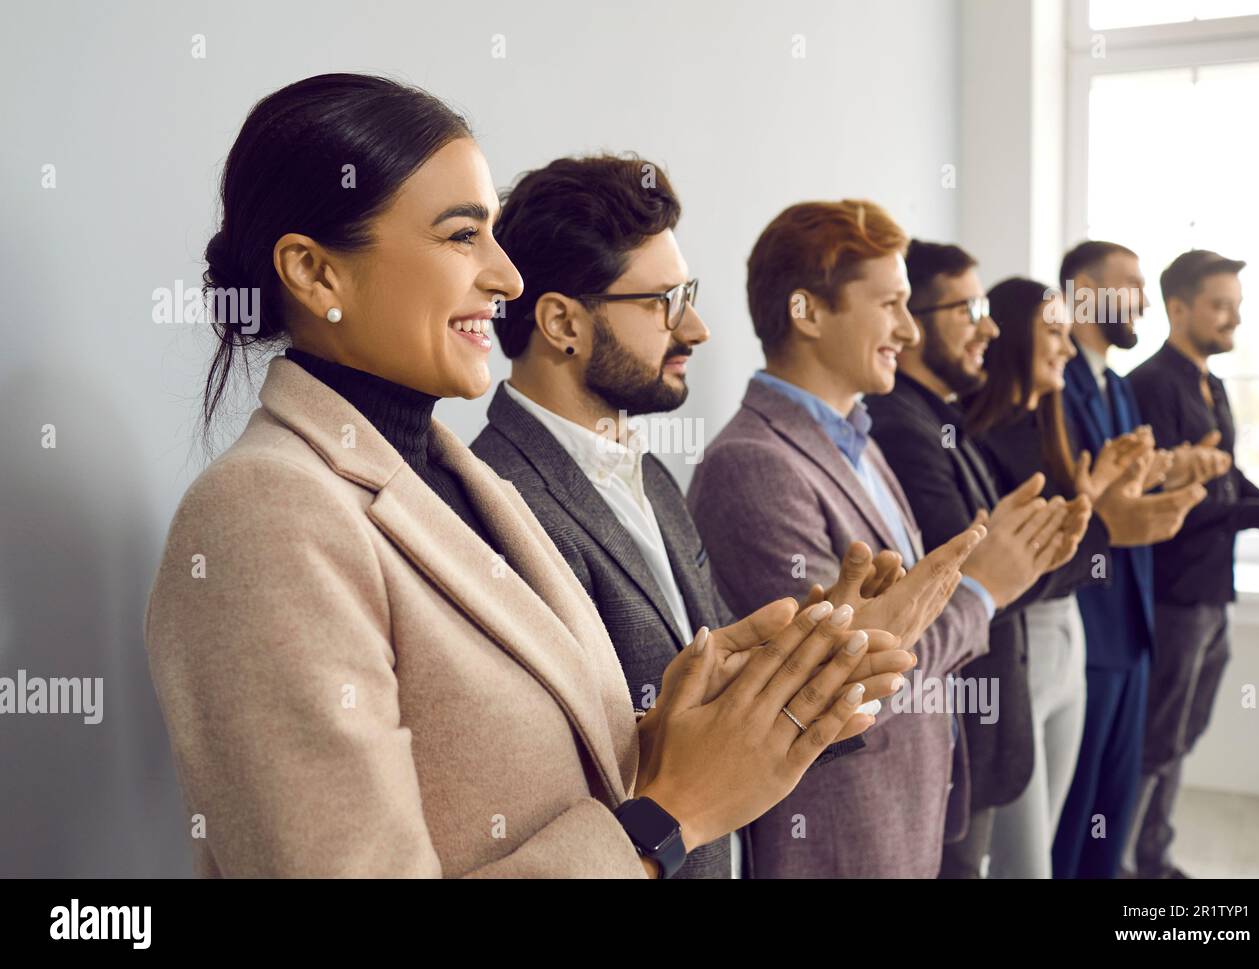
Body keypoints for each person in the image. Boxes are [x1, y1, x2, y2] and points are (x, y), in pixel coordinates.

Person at [144, 73, 880, 879]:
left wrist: (690, 725)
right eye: (463, 236)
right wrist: (671, 815)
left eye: (493, 232)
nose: (508, 277)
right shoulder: (262, 514)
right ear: (317, 274)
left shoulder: (466, 487)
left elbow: (555, 780)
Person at [470, 153, 930, 877]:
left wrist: (819, 645)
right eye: (664, 302)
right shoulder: (494, 503)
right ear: (562, 321)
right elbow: (559, 774)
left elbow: (710, 681)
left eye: (690, 294)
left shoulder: (649, 471)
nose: (698, 330)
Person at [688, 199, 1072, 877]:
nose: (909, 330)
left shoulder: (857, 437)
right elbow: (836, 688)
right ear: (807, 313)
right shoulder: (751, 464)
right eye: (890, 305)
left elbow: (899, 623)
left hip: (906, 807)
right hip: (841, 828)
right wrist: (985, 589)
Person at [964, 276, 1208, 877]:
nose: (1067, 349)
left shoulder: (1050, 426)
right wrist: (1107, 515)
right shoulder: (975, 437)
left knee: (1056, 830)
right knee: (1027, 857)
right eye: (1053, 333)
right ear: (1014, 338)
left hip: (1066, 633)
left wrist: (1109, 488)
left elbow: (1072, 529)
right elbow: (1026, 553)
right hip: (1020, 644)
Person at [867, 242, 1092, 877]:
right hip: (954, 704)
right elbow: (968, 569)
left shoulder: (937, 416)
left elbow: (1003, 558)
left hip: (988, 694)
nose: (988, 328)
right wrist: (1092, 531)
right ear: (911, 318)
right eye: (968, 309)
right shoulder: (901, 423)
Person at [1125, 249, 1259, 878]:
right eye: (1221, 307)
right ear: (1178, 309)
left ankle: (1153, 854)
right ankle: (1128, 865)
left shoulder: (1212, 383)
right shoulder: (1148, 387)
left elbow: (1227, 481)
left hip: (1211, 591)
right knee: (1158, 737)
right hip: (1173, 594)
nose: (1233, 320)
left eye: (1238, 308)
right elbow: (1171, 502)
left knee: (1184, 731)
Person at [1053, 240, 1207, 878]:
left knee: (1112, 821)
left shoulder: (1118, 386)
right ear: (1083, 291)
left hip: (1134, 626)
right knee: (1073, 814)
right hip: (1086, 626)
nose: (1144, 300)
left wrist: (1174, 470)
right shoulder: (1053, 388)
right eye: (1130, 284)